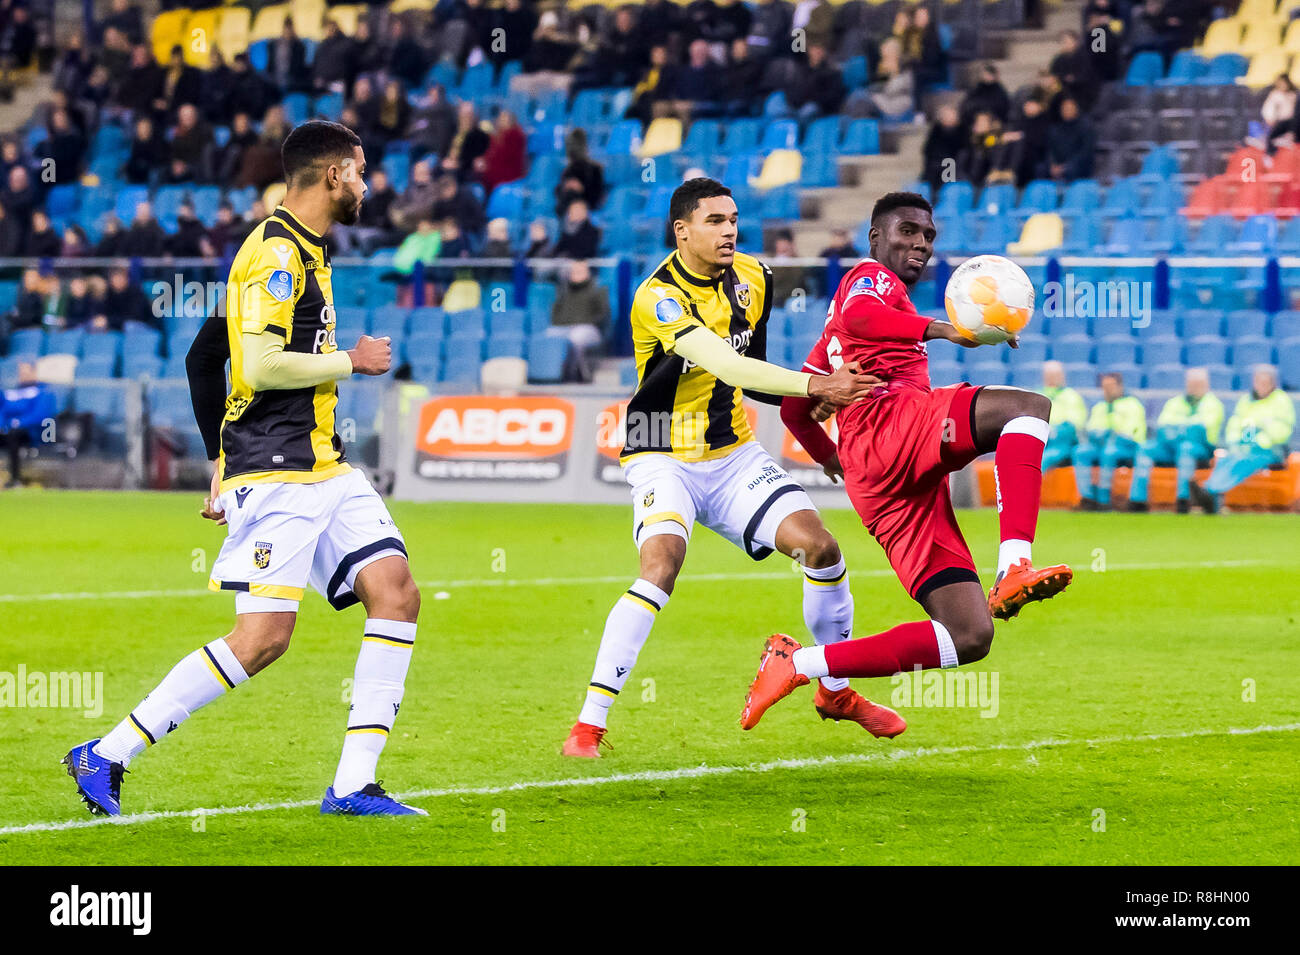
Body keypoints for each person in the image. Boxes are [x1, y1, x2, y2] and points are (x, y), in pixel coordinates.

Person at [64, 121, 426, 818]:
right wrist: (352, 360)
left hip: (323, 463)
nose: (366, 184)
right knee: (263, 640)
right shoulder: (277, 255)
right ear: (330, 176)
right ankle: (106, 753)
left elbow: (206, 356)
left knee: (397, 592)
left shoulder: (304, 250)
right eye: (359, 172)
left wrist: (214, 463)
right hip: (281, 467)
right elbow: (255, 366)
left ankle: (353, 785)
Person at [562, 177, 888, 758]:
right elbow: (727, 366)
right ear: (681, 230)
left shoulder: (754, 278)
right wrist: (817, 382)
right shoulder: (657, 296)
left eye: (734, 219)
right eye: (714, 221)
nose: (730, 230)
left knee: (822, 549)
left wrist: (817, 425)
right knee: (661, 564)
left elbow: (753, 370)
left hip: (733, 452)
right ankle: (589, 724)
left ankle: (835, 692)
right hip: (661, 451)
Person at [743, 191, 1074, 730]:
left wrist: (837, 462)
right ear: (876, 238)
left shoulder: (831, 337)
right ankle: (1014, 565)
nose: (920, 244)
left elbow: (793, 410)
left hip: (882, 480)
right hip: (892, 427)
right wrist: (944, 329)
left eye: (928, 236)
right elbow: (866, 316)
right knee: (1027, 409)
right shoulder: (870, 279)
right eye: (907, 231)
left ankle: (800, 664)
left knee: (968, 636)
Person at [1191, 366, 1296, 514]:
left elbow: (1281, 430)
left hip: (1271, 450)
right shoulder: (1246, 401)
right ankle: (1211, 495)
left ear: (1272, 383)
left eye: (1265, 382)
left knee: (1243, 460)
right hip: (1245, 446)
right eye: (1259, 382)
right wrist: (1237, 442)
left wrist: (1256, 439)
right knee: (1227, 458)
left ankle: (1210, 490)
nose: (1261, 386)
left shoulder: (1281, 401)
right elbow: (1236, 424)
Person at [1128, 367, 1224, 513]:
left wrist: (1178, 430)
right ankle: (1137, 500)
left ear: (1206, 385)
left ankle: (1183, 500)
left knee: (1186, 448)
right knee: (1145, 449)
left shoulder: (1213, 404)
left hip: (1202, 449)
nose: (1194, 388)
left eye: (1198, 384)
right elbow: (1163, 425)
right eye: (1191, 384)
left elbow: (1202, 429)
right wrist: (1182, 431)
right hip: (1170, 446)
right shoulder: (1174, 402)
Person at [1073, 371, 1147, 510]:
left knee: (1109, 452)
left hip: (1127, 447)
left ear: (1120, 387)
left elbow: (1132, 432)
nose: (1107, 390)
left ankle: (1104, 499)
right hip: (1100, 445)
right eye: (1104, 386)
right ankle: (1087, 497)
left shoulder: (1132, 404)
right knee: (1080, 451)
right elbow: (1091, 428)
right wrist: (1099, 435)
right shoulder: (1100, 407)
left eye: (1111, 386)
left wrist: (1112, 435)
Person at [548, 259, 610, 381]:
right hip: (564, 328)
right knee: (550, 335)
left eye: (580, 271)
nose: (576, 274)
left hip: (589, 329)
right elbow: (555, 313)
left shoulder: (597, 290)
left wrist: (585, 321)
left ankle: (575, 374)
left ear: (588, 273)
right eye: (573, 271)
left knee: (576, 337)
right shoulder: (564, 291)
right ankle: (550, 374)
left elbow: (603, 314)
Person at [0, 362, 55, 488]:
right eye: (20, 372)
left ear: (34, 372)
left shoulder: (43, 392)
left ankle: (14, 479)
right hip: (7, 429)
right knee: (8, 434)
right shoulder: (11, 393)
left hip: (30, 433)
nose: (22, 375)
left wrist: (17, 423)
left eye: (26, 372)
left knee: (13, 435)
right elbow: (2, 411)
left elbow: (40, 415)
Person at [1040, 360, 1087, 471]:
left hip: (1063, 443)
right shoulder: (1038, 395)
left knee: (1043, 459)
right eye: (1049, 375)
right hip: (1041, 440)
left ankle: (1029, 487)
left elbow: (1075, 423)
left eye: (1055, 375)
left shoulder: (1071, 396)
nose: (1051, 378)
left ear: (1062, 376)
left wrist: (1055, 430)